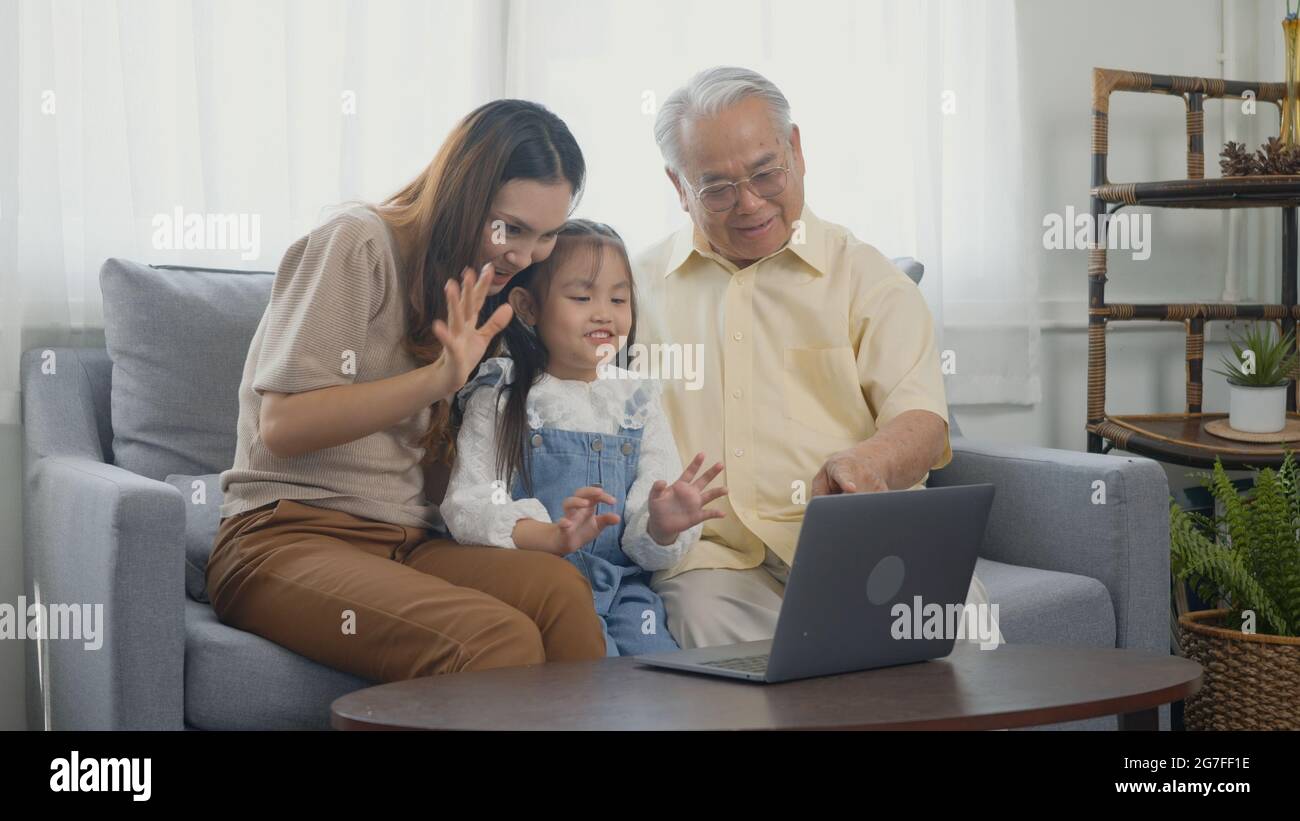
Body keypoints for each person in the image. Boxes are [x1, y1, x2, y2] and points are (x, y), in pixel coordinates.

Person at [207, 100, 610, 683]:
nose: (523, 256)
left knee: (561, 594)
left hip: (410, 541)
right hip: (285, 536)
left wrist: (539, 525)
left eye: (546, 236)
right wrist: (436, 379)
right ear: (462, 193)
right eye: (511, 228)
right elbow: (283, 427)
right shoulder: (357, 243)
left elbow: (451, 474)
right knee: (496, 638)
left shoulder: (483, 285)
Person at [632, 66, 1004, 650]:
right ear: (679, 188)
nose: (750, 203)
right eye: (718, 188)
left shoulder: (868, 278)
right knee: (711, 641)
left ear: (796, 150)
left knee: (958, 627)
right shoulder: (633, 288)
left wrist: (870, 463)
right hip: (717, 564)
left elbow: (923, 425)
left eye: (765, 173)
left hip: (860, 548)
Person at [441, 220, 728, 656]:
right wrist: (548, 535)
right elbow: (471, 504)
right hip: (541, 589)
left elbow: (645, 540)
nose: (604, 313)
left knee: (663, 673)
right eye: (581, 297)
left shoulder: (638, 401)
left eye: (618, 298)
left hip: (623, 589)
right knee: (590, 677)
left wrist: (662, 526)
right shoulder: (502, 396)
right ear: (527, 307)